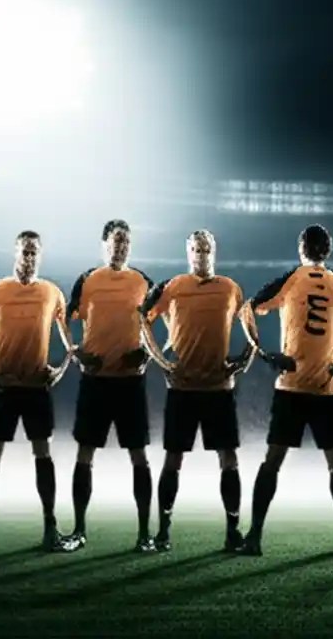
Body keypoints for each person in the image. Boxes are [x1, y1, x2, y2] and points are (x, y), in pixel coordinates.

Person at [237, 224, 333, 557]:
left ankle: (254, 537)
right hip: (326, 388)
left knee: (273, 460)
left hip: (292, 386)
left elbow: (247, 309)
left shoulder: (293, 278)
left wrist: (263, 352)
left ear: (302, 248)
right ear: (327, 251)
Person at [0, 231, 74, 552]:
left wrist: (60, 369)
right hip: (4, 388)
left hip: (37, 389)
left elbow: (69, 342)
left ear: (41, 255)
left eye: (34, 252)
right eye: (25, 252)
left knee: (44, 454)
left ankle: (51, 528)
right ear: (15, 254)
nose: (29, 258)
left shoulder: (52, 293)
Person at [140, 230, 254, 552]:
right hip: (184, 388)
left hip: (219, 388)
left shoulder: (230, 289)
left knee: (228, 459)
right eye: (195, 249)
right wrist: (161, 361)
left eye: (206, 249)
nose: (201, 254)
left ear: (214, 251)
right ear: (187, 252)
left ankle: (233, 531)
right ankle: (163, 531)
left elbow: (250, 325)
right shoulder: (173, 287)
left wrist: (245, 358)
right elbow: (143, 320)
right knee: (173, 459)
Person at [63, 220, 156, 552]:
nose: (122, 246)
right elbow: (64, 318)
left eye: (127, 241)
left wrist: (151, 354)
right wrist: (76, 354)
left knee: (139, 457)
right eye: (116, 241)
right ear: (104, 244)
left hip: (130, 384)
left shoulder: (143, 282)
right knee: (85, 454)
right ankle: (78, 530)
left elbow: (173, 318)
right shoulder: (88, 280)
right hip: (96, 383)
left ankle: (145, 535)